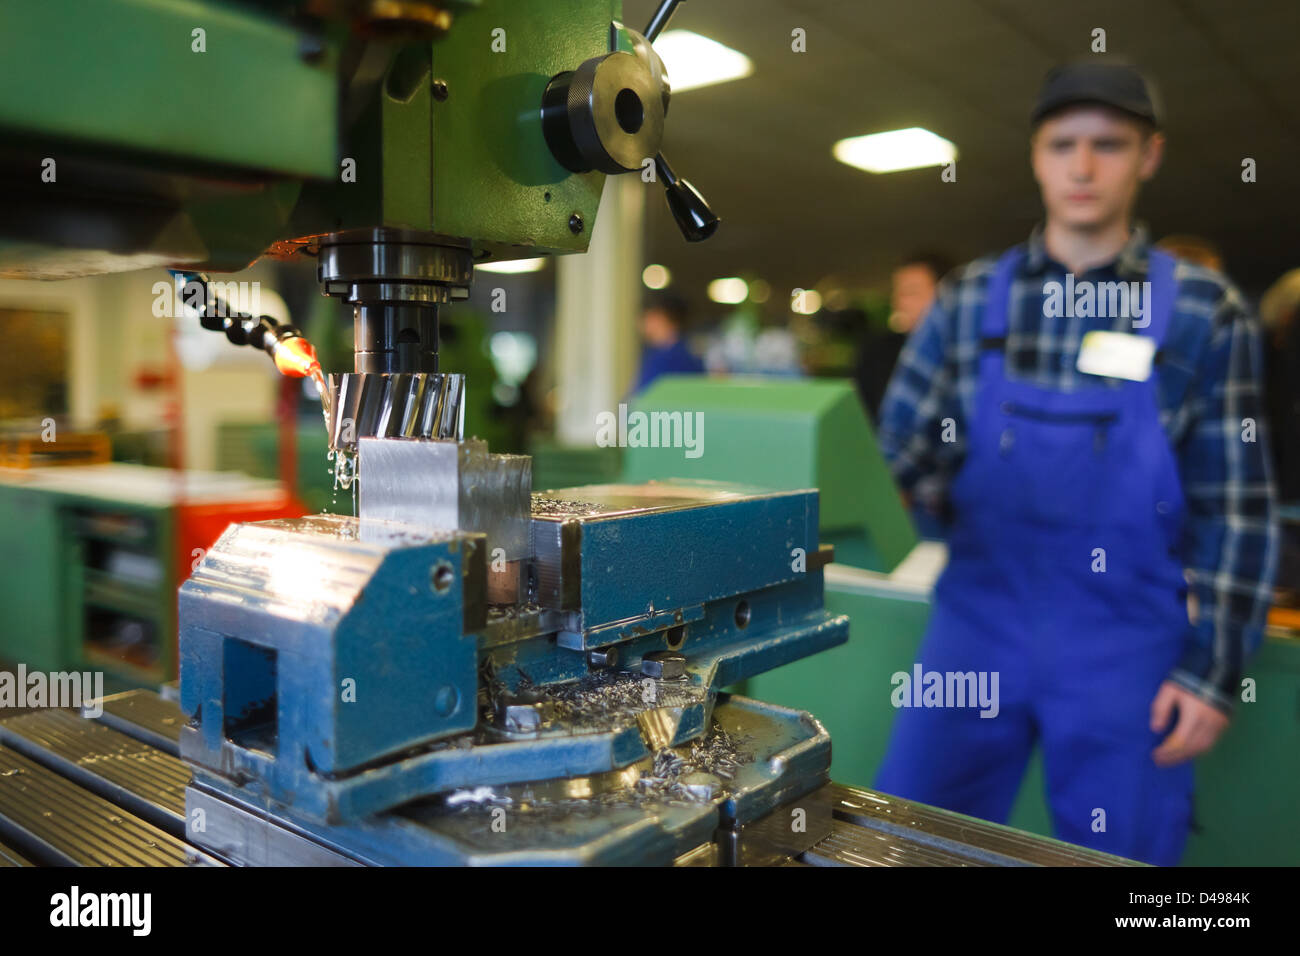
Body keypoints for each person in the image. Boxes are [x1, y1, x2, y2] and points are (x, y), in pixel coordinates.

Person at [873, 60, 1279, 866]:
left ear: (1149, 155)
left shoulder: (1205, 311)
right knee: (910, 837)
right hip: (977, 625)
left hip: (1124, 645)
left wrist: (1213, 670)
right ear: (1036, 155)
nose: (1083, 167)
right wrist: (930, 475)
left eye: (1109, 144)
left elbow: (1237, 506)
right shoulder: (967, 301)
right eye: (1064, 144)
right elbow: (897, 458)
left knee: (1123, 855)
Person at [854, 252, 953, 421]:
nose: (899, 302)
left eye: (911, 292)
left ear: (945, 294)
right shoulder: (877, 352)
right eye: (897, 292)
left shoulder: (960, 352)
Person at [634, 292, 703, 392]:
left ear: (659, 316)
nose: (641, 322)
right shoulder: (690, 355)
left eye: (646, 315)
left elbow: (642, 398)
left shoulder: (669, 359)